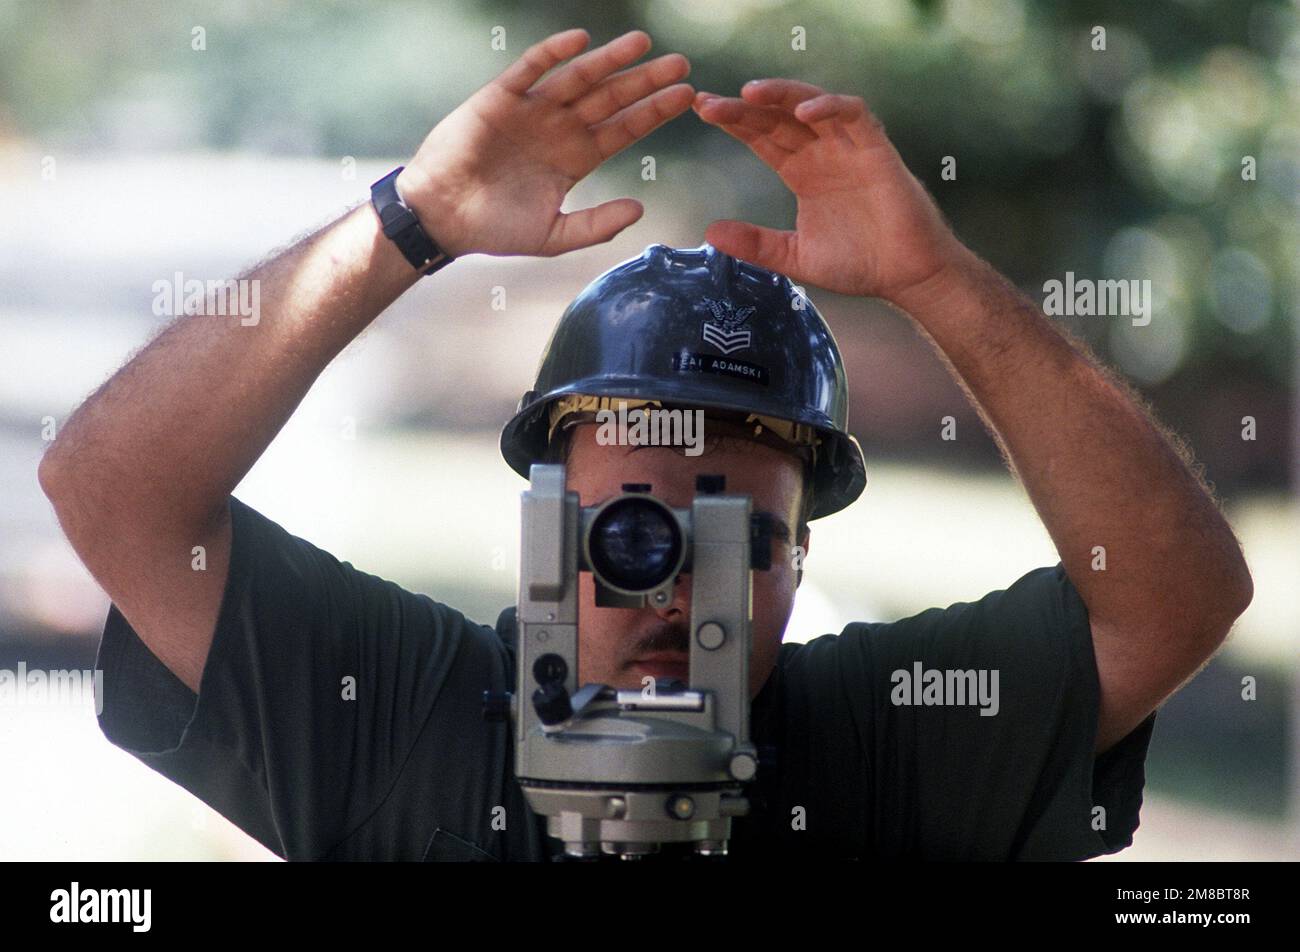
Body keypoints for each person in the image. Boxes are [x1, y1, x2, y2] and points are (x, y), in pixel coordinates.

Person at [38, 28, 1252, 861]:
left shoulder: (883, 740)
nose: (673, 585)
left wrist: (936, 281)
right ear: (542, 520)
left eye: (741, 539)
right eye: (632, 526)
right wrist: (407, 225)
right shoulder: (402, 714)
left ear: (801, 558)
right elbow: (111, 492)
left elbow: (1173, 598)